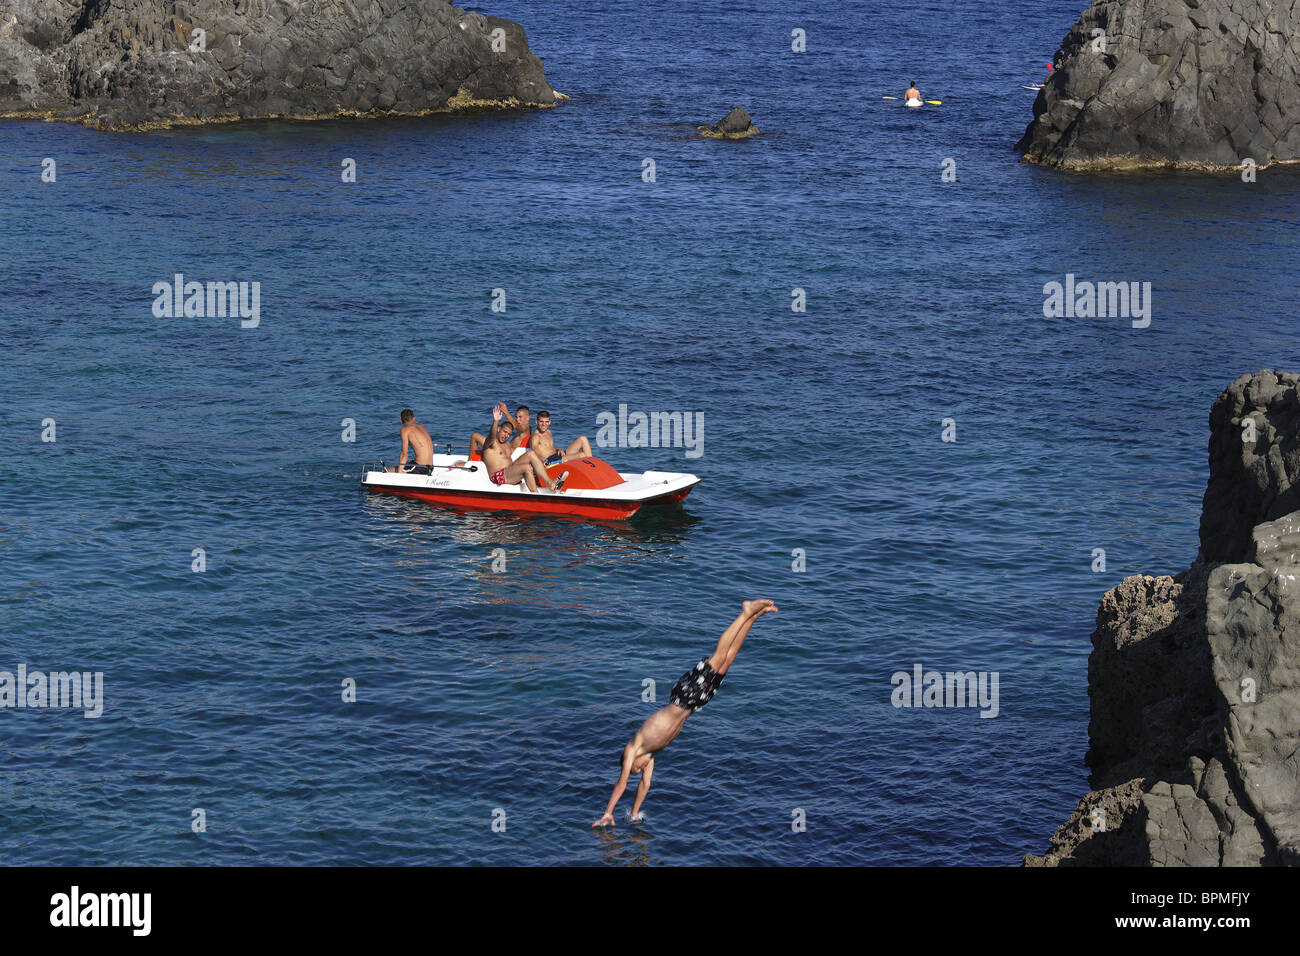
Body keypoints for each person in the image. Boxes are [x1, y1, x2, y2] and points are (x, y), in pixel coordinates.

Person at [592, 600, 778, 827]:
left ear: (627, 761)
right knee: (729, 659)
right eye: (637, 771)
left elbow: (622, 783)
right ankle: (754, 617)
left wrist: (608, 812)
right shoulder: (649, 757)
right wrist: (634, 812)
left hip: (683, 697)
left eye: (633, 769)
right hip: (696, 702)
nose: (638, 770)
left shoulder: (633, 748)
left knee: (718, 656)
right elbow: (645, 785)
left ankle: (745, 612)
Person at [479, 407, 567, 493]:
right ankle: (536, 495)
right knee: (526, 467)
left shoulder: (507, 445)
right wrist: (496, 421)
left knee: (531, 454)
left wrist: (556, 450)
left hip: (509, 470)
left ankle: (550, 483)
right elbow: (491, 435)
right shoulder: (490, 443)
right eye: (504, 432)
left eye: (509, 434)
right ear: (499, 429)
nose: (506, 436)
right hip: (498, 476)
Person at [386, 409, 434, 474]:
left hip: (420, 468)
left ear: (401, 421)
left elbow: (404, 454)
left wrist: (399, 473)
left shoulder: (405, 430)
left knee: (386, 471)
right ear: (414, 419)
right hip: (430, 467)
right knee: (403, 466)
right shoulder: (421, 427)